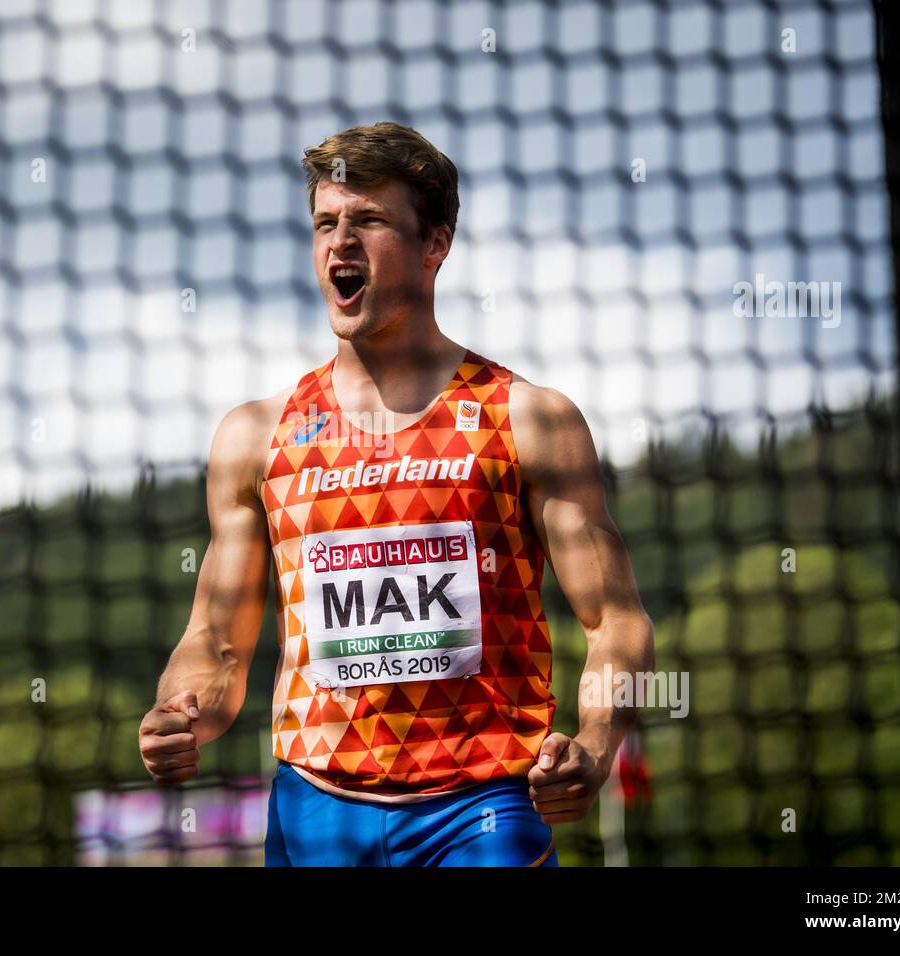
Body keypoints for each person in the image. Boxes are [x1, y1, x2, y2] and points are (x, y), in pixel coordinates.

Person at [139, 122, 655, 866]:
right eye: (325, 223)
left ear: (435, 244)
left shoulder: (529, 419)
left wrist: (597, 745)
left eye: (369, 221)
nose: (339, 242)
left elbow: (617, 623)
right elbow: (216, 644)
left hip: (481, 808)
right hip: (317, 809)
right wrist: (180, 710)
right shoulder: (255, 437)